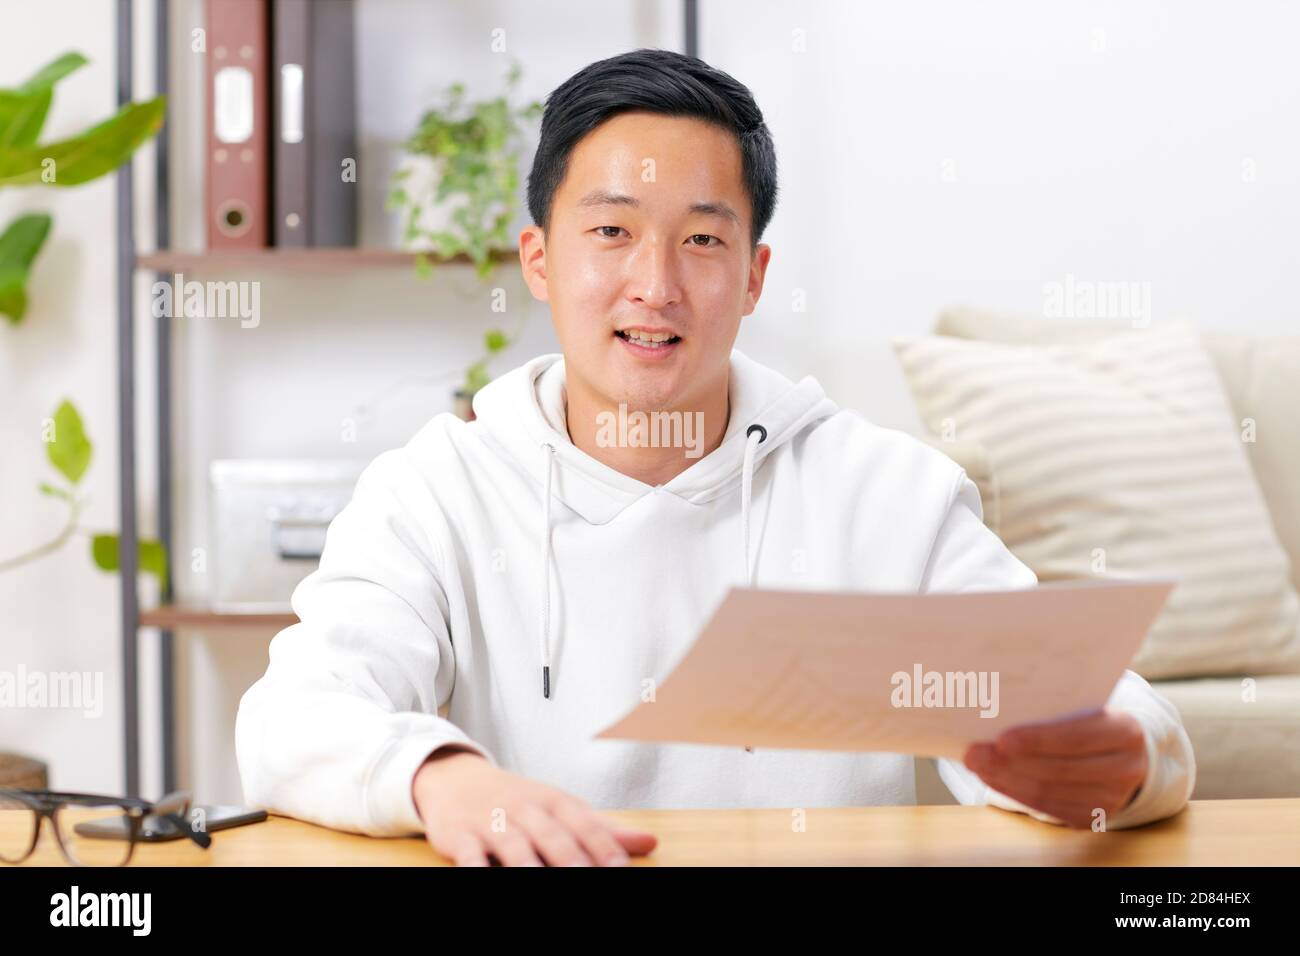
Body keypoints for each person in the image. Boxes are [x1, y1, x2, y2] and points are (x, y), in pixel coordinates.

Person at [235, 48, 1195, 867]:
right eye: (610, 232)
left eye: (701, 240)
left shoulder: (884, 493)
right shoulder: (433, 494)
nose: (654, 286)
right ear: (537, 258)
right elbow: (291, 719)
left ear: (753, 278)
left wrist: (1117, 759)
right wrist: (439, 779)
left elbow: (1110, 712)